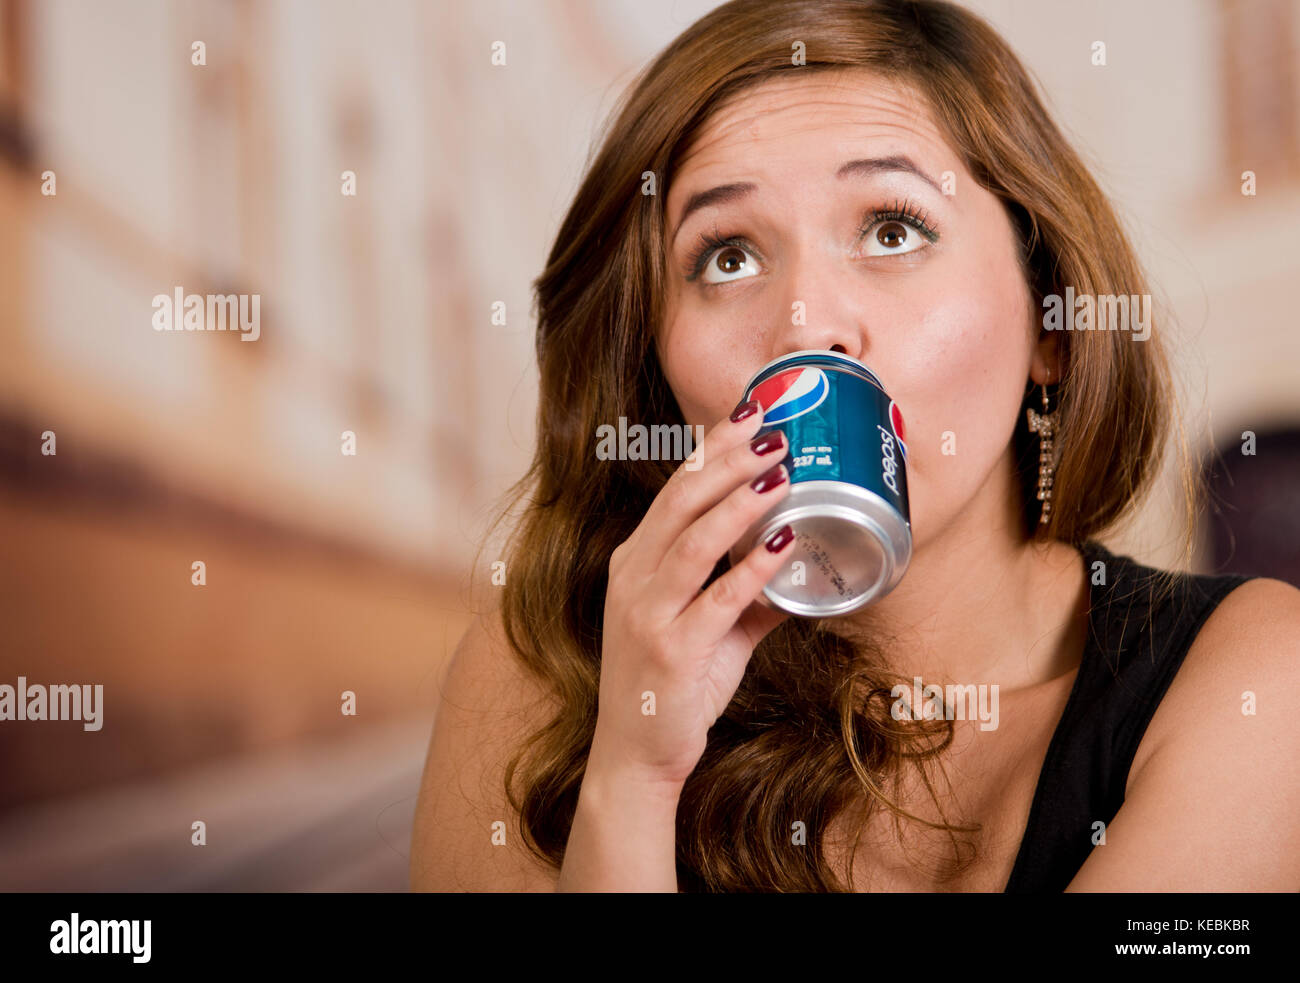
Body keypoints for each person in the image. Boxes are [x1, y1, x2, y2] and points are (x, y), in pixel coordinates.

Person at [410, 0, 1300, 892]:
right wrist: (632, 783)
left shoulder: (1256, 680)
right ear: (654, 359)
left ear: (1050, 323)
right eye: (727, 256)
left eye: (891, 231)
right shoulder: (537, 683)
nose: (807, 327)